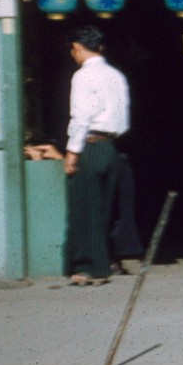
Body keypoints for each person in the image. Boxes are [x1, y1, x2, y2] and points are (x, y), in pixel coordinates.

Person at [63, 25, 130, 286]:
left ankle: (88, 266)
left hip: (90, 144)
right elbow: (122, 117)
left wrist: (72, 151)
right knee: (104, 208)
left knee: (84, 207)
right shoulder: (116, 75)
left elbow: (81, 116)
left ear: (77, 48)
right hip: (110, 145)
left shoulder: (83, 76)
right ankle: (106, 261)